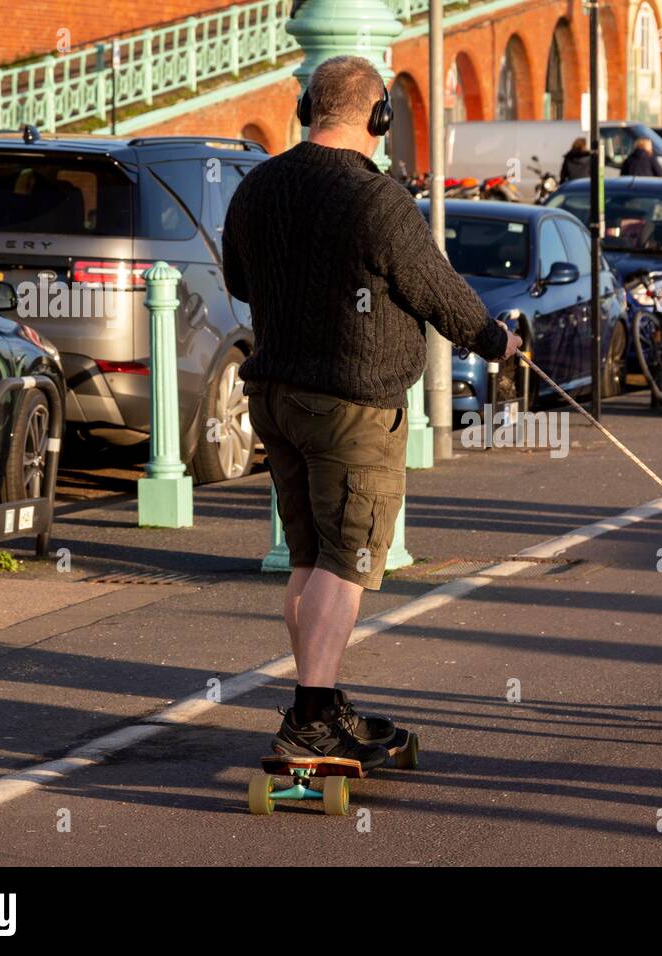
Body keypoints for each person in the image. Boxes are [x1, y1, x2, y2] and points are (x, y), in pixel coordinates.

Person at [221, 55, 521, 768]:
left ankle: (317, 702)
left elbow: (237, 278)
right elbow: (435, 289)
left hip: (274, 397)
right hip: (352, 405)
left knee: (308, 558)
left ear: (307, 110)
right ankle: (311, 719)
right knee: (348, 563)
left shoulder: (257, 186)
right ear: (379, 117)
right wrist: (495, 339)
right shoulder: (377, 198)